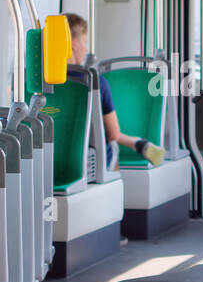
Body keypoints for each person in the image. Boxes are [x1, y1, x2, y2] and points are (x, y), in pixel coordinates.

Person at [64, 12, 165, 168]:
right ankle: (121, 180)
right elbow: (113, 134)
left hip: (51, 160)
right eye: (84, 42)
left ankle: (137, 143)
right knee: (112, 144)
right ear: (74, 43)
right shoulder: (96, 82)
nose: (85, 49)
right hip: (88, 162)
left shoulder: (39, 84)